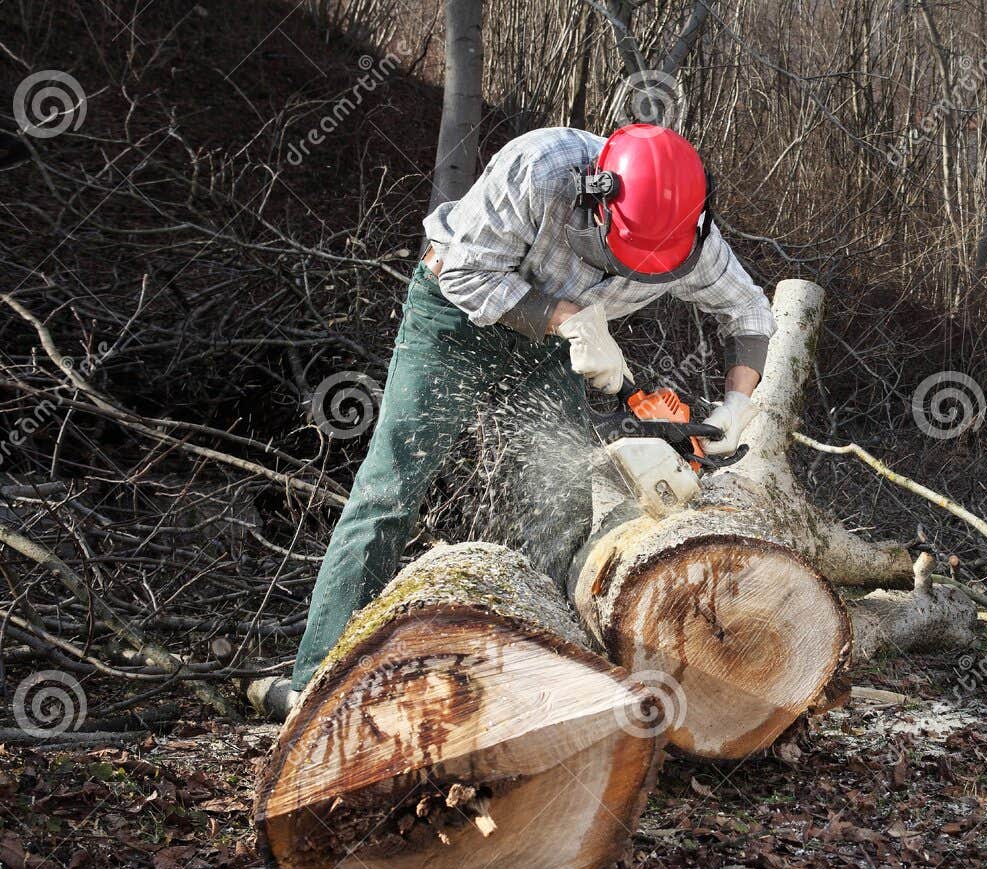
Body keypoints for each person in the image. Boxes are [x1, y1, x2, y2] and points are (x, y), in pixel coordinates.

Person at [250, 123, 775, 719]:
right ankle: (316, 685)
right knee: (392, 489)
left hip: (551, 349)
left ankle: (538, 681)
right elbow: (464, 272)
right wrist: (570, 319)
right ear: (597, 197)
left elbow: (748, 310)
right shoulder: (541, 169)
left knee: (562, 504)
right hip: (455, 316)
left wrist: (737, 402)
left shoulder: (689, 234)